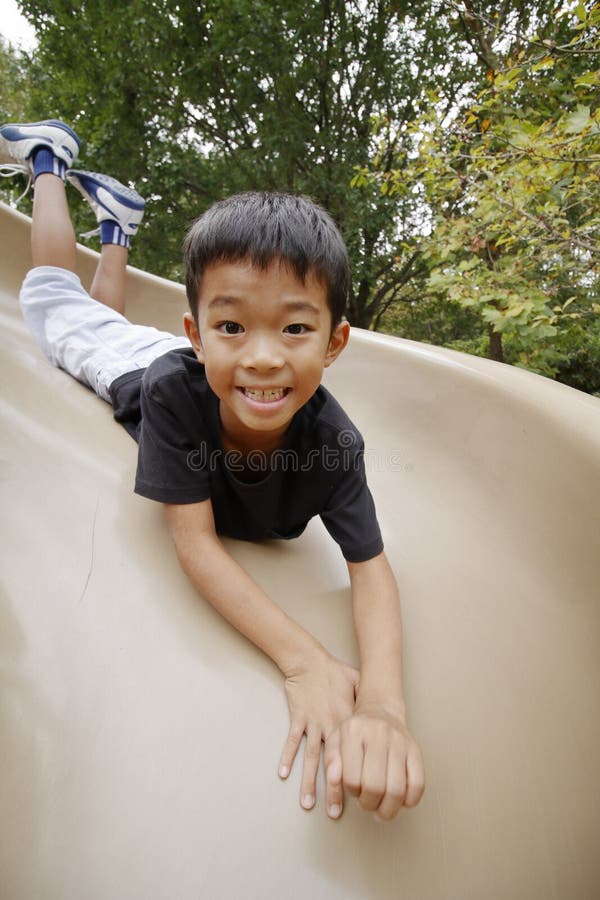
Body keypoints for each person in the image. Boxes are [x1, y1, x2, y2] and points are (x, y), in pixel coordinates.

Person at [0, 119, 425, 823]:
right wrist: (305, 660)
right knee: (50, 301)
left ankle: (116, 228)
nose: (263, 357)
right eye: (232, 328)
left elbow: (371, 569)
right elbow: (195, 543)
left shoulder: (333, 444)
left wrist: (383, 704)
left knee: (100, 315)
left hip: (182, 358)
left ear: (335, 343)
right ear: (195, 334)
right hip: (130, 365)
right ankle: (48, 162)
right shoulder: (174, 389)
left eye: (294, 329)